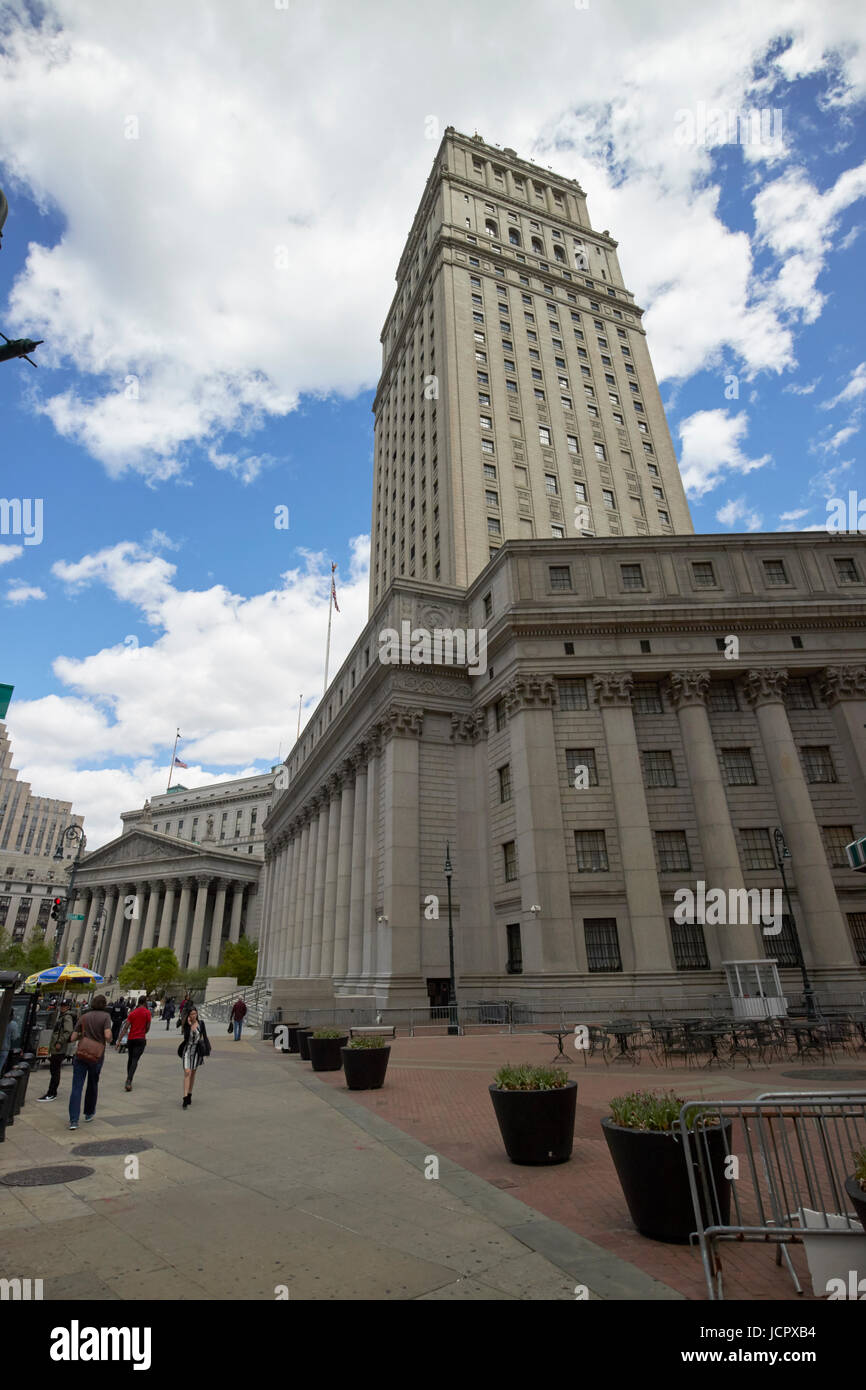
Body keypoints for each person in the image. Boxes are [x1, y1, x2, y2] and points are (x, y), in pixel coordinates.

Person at [67, 993, 112, 1130]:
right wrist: (109, 1039)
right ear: (104, 1005)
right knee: (92, 1084)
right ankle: (89, 1113)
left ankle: (73, 1120)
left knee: (77, 1087)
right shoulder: (105, 1017)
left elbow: (73, 1037)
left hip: (81, 1054)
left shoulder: (84, 1017)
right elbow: (107, 1036)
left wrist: (84, 1035)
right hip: (96, 1055)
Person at [36, 999, 74, 1103]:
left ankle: (52, 1093)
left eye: (64, 1006)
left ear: (68, 1007)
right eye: (61, 1005)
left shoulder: (67, 1017)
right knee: (54, 1070)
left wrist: (60, 1042)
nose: (62, 1007)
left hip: (59, 1048)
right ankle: (51, 1092)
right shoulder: (61, 1016)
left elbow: (68, 1031)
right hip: (55, 1047)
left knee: (55, 1071)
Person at [177, 1005, 210, 1108]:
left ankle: (190, 1093)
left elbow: (204, 1036)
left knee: (193, 1073)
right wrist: (189, 1025)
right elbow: (186, 1037)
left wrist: (207, 1050)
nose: (194, 1015)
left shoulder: (201, 1023)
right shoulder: (186, 1025)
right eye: (192, 1014)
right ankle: (185, 1097)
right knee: (187, 1072)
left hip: (196, 1051)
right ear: (188, 1015)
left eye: (195, 1013)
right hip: (187, 1050)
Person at [117, 995, 151, 1091]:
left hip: (131, 1039)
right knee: (135, 1060)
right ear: (144, 1002)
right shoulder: (147, 1013)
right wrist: (143, 1031)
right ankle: (129, 1080)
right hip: (140, 1039)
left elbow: (125, 1027)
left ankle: (128, 1078)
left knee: (130, 1059)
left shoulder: (132, 1013)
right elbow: (148, 1027)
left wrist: (119, 1041)